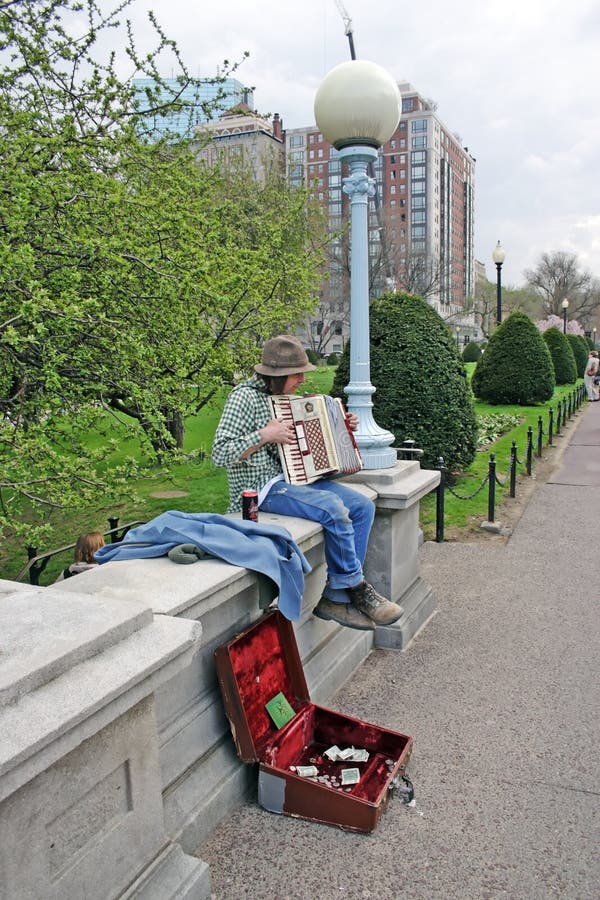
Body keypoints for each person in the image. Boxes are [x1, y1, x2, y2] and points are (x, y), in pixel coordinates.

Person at [211, 334, 404, 631]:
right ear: (276, 376)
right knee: (332, 507)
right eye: (296, 374)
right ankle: (356, 588)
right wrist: (265, 435)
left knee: (362, 506)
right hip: (261, 488)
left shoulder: (288, 399)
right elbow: (219, 453)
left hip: (297, 480)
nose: (302, 379)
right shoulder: (243, 397)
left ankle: (333, 597)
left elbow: (309, 445)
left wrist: (342, 427)